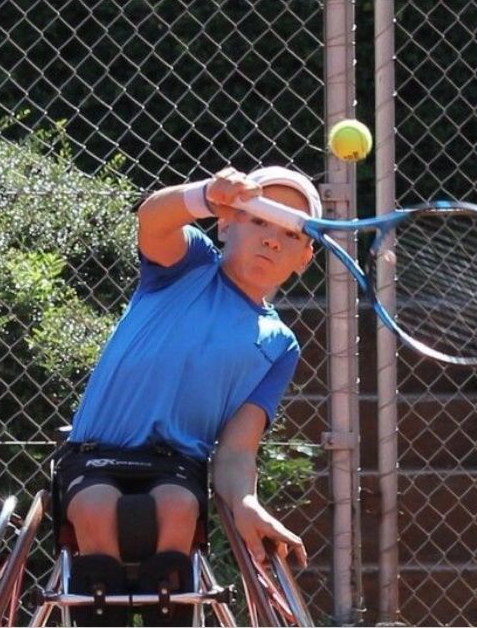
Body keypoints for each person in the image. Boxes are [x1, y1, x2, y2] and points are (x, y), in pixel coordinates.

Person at [56, 165, 318, 626]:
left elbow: (237, 449)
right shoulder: (189, 266)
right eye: (259, 218)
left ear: (305, 256)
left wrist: (246, 504)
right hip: (94, 454)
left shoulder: (279, 345)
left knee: (178, 511)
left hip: (175, 465)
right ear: (226, 223)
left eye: (290, 233)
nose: (272, 239)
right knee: (94, 510)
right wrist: (203, 194)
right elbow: (153, 218)